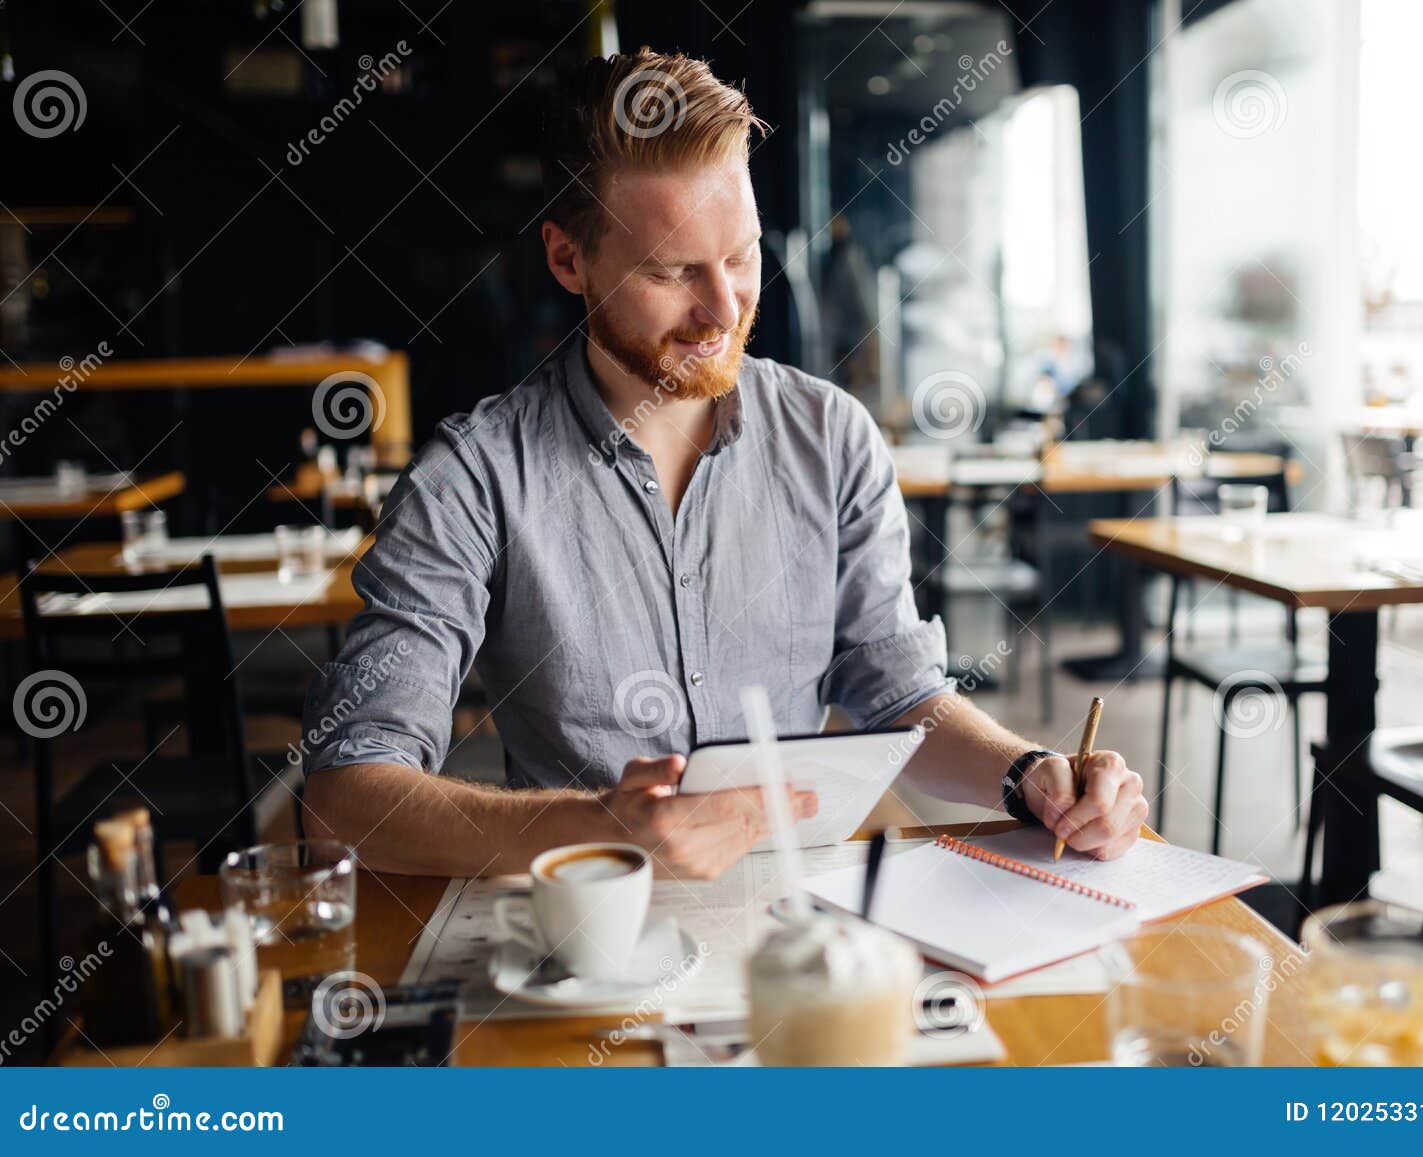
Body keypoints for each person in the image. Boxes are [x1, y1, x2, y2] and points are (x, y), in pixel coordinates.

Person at [299, 49, 1149, 880]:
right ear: (568, 259)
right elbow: (342, 800)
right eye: (671, 272)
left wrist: (1029, 772)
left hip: (800, 934)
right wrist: (598, 828)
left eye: (740, 256)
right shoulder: (471, 480)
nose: (724, 307)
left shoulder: (833, 438)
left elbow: (898, 695)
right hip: (584, 944)